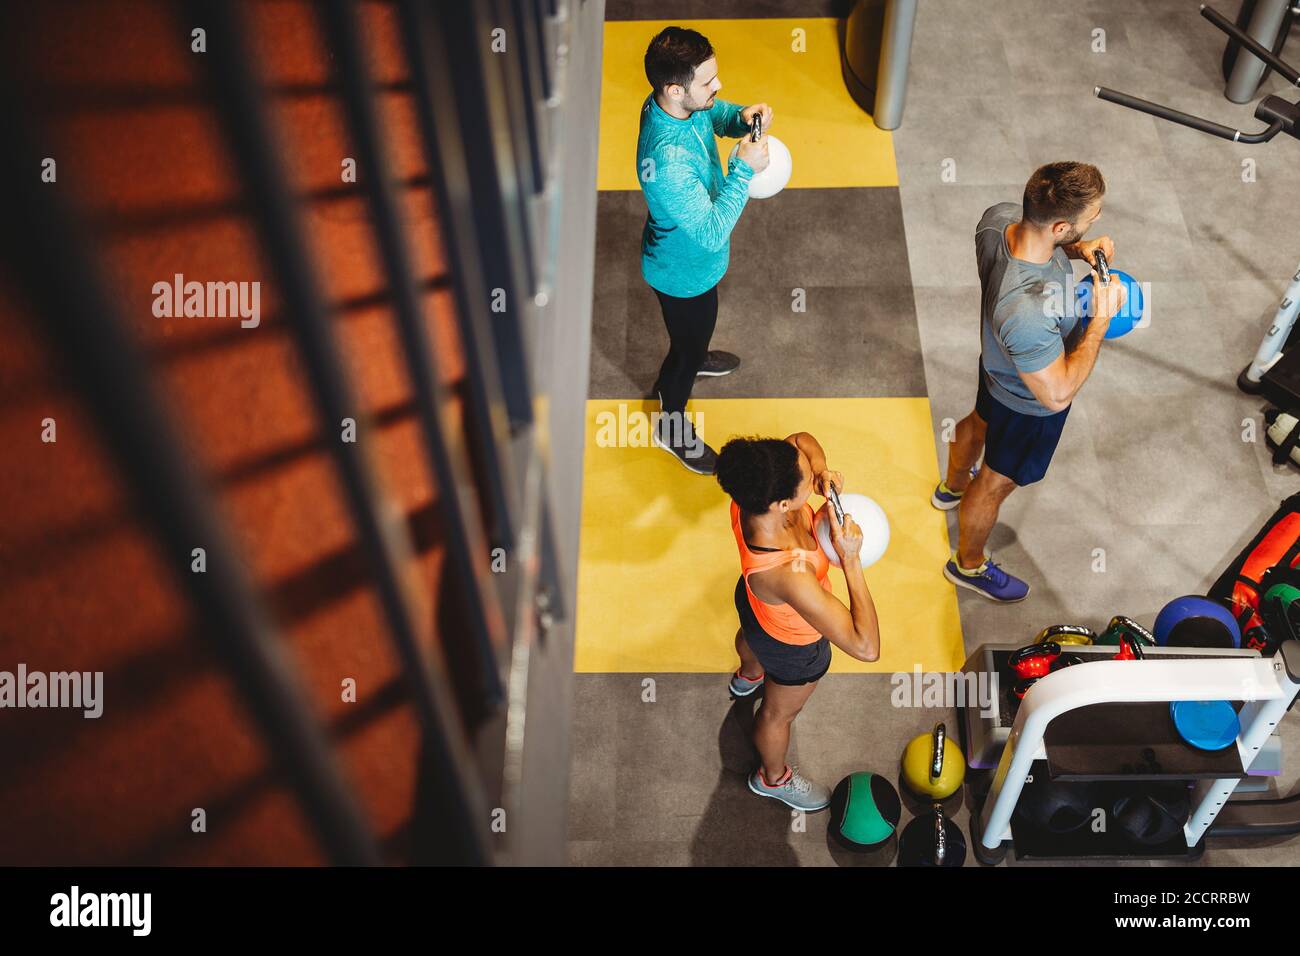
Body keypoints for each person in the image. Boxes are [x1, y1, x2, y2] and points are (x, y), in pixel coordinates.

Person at [932, 162, 1126, 602]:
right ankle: (968, 565)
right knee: (995, 482)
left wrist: (1081, 248)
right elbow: (1057, 393)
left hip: (997, 366)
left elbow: (1047, 243)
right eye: (1088, 219)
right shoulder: (1028, 312)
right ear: (1060, 225)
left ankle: (951, 487)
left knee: (978, 421)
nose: (1093, 221)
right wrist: (1099, 320)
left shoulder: (999, 218)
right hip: (1027, 401)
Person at [715, 432, 881, 811]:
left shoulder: (750, 494)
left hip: (754, 603)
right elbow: (865, 647)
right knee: (777, 714)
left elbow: (801, 439)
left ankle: (748, 676)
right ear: (783, 503)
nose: (813, 480)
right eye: (808, 481)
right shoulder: (791, 575)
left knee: (752, 637)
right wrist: (851, 559)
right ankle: (772, 778)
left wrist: (820, 471)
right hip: (794, 647)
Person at [637, 26, 772, 475]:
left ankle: (695, 351)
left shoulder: (669, 104)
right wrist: (742, 170)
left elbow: (710, 117)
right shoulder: (668, 164)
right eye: (708, 82)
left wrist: (740, 118)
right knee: (685, 351)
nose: (719, 87)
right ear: (675, 89)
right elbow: (713, 232)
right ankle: (670, 423)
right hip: (682, 273)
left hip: (693, 265)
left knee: (694, 334)